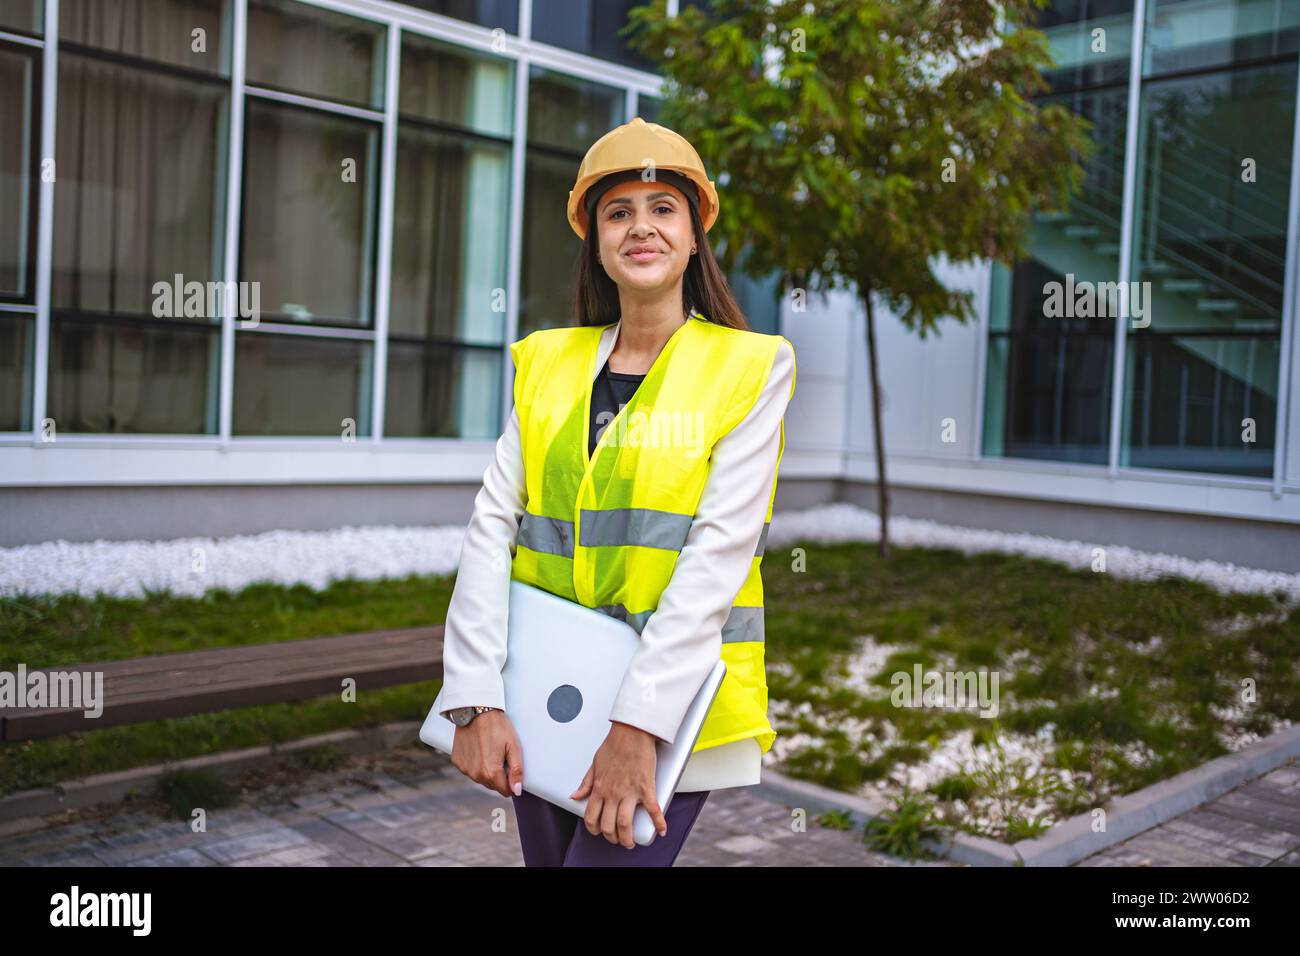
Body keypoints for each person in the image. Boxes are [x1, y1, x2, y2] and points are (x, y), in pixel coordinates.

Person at [437, 116, 797, 866]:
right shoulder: (546, 362)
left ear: (695, 235)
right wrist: (475, 697)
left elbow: (716, 559)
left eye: (664, 208)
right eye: (619, 211)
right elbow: (489, 530)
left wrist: (639, 727)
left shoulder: (751, 368)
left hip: (665, 709)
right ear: (596, 241)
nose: (642, 227)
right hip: (544, 690)